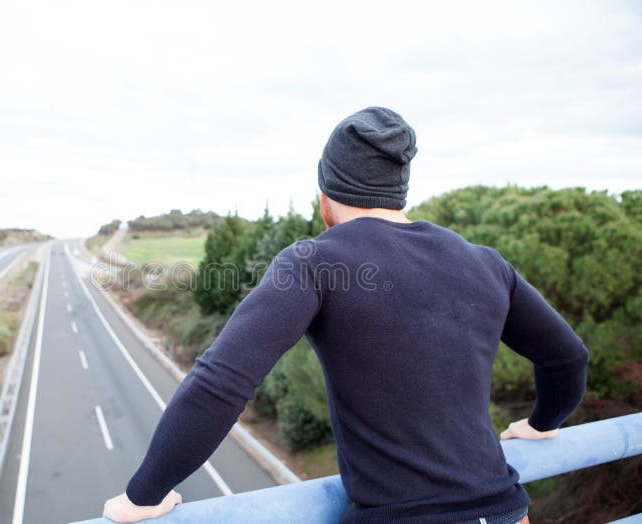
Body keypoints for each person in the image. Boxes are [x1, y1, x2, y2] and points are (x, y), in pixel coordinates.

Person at [102, 107, 589, 523]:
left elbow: (220, 383)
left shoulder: (314, 261)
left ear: (325, 199)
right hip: (507, 511)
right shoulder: (484, 262)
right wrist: (543, 422)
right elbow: (568, 358)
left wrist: (143, 494)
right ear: (399, 192)